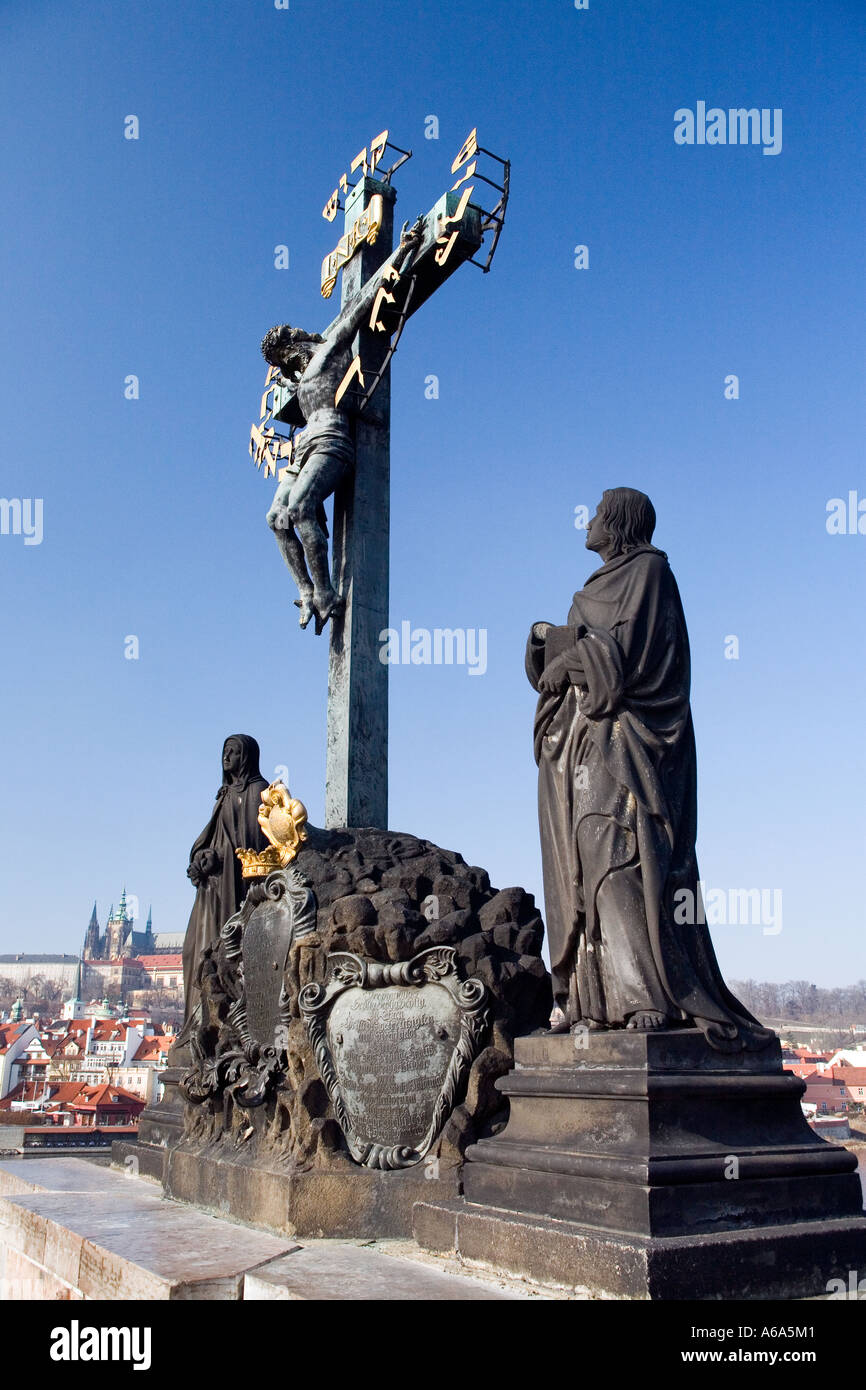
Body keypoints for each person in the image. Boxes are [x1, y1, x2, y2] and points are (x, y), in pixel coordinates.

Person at [526, 488, 771, 1052]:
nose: (586, 522)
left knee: (619, 857)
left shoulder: (650, 574)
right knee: (590, 866)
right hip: (588, 744)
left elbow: (629, 658)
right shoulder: (592, 590)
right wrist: (547, 645)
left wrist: (568, 656)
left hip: (630, 745)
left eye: (596, 513)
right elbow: (585, 659)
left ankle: (647, 998)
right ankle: (597, 1000)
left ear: (618, 523)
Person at [262, 217, 425, 633]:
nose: (298, 342)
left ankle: (328, 591)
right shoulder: (297, 382)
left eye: (291, 342)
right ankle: (309, 590)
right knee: (275, 517)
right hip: (303, 447)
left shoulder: (329, 349)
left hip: (332, 437)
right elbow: (287, 386)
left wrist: (404, 249)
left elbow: (362, 301)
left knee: (300, 509)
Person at [180, 735, 270, 1026]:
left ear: (246, 757)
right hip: (214, 886)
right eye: (224, 751)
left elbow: (256, 841)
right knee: (194, 949)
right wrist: (203, 857)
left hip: (240, 887)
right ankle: (197, 1019)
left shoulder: (260, 792)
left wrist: (222, 856)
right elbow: (213, 837)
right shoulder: (225, 795)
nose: (226, 757)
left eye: (233, 752)